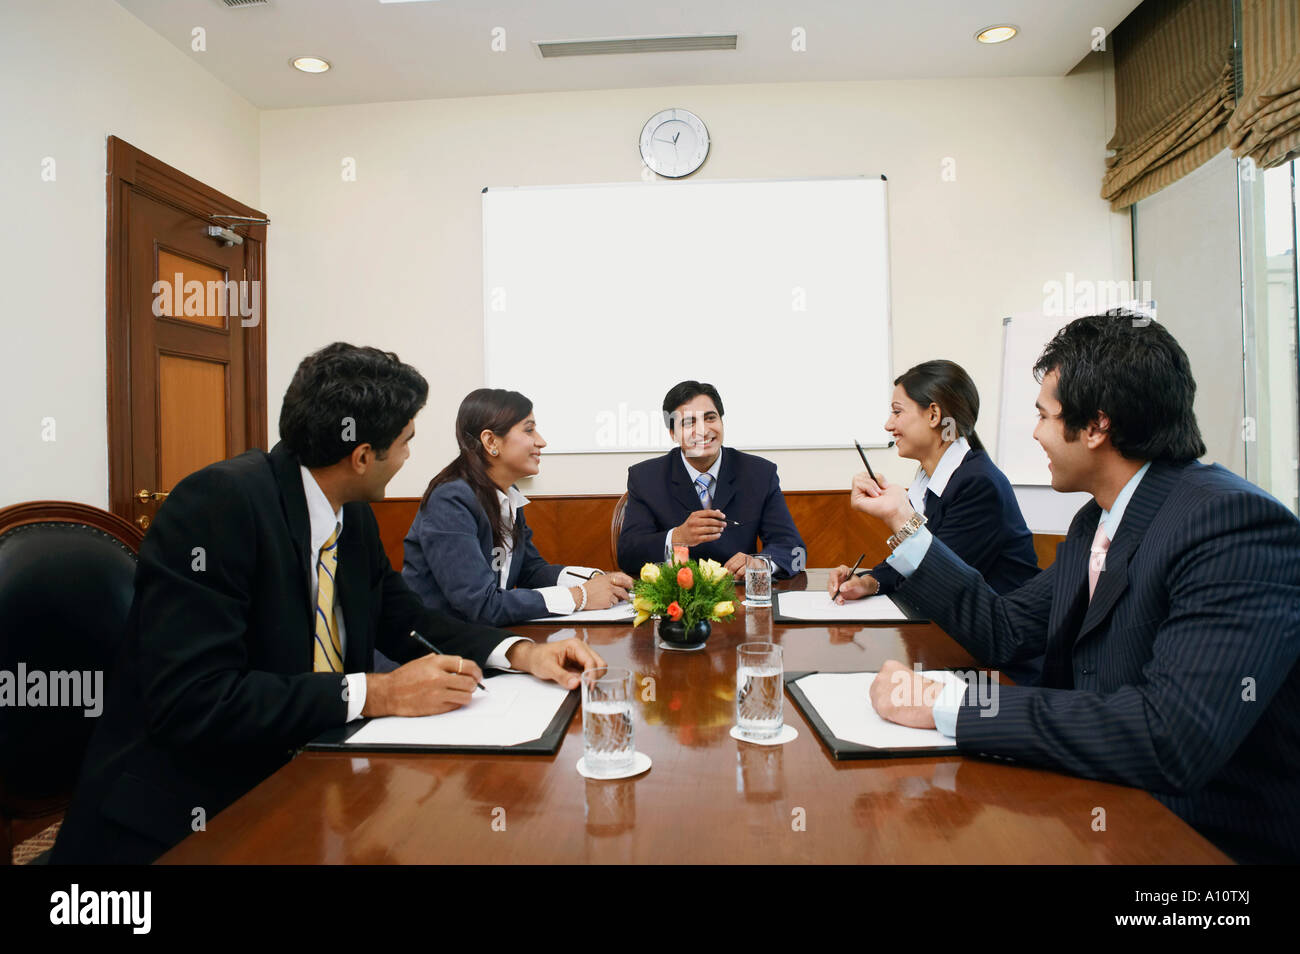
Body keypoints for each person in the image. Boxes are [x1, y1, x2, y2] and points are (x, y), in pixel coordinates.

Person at [51, 344, 603, 864]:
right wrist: (377, 692)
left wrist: (520, 653)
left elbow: (406, 620)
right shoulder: (219, 506)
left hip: (315, 772)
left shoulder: (349, 508)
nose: (411, 455)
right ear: (363, 455)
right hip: (195, 809)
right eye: (407, 441)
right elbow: (197, 699)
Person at [850, 313, 1300, 864]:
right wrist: (903, 522)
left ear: (1095, 427)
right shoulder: (1097, 520)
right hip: (1095, 810)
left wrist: (951, 704)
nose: (1035, 432)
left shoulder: (1232, 524)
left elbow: (1169, 737)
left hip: (1199, 848)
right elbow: (1006, 630)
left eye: (1043, 415)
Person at [403, 388, 635, 627]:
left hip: (481, 642)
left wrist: (594, 579)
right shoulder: (450, 500)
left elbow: (530, 571)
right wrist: (580, 596)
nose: (541, 441)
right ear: (491, 441)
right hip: (433, 654)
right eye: (529, 429)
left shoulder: (508, 494)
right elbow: (479, 603)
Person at [827, 359, 1038, 604]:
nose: (888, 425)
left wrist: (896, 515)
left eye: (897, 412)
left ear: (934, 415)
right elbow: (912, 559)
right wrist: (869, 582)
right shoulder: (930, 479)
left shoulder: (979, 484)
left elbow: (939, 578)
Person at [616, 381, 805, 577]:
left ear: (722, 422)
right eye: (689, 422)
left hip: (739, 595)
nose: (703, 431)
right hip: (674, 599)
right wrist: (677, 537)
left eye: (710, 418)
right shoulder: (646, 478)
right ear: (673, 433)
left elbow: (795, 551)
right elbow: (628, 554)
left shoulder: (759, 473)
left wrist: (761, 563)